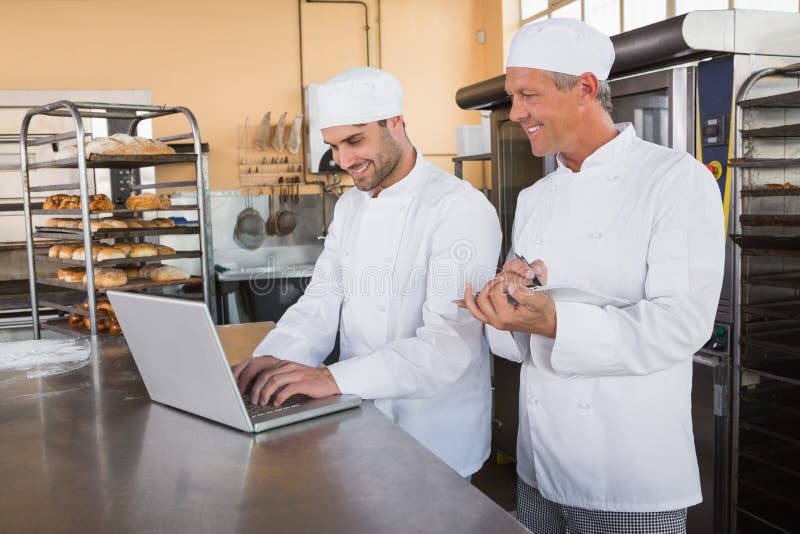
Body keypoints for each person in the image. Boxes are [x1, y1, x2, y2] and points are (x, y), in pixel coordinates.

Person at [463, 18, 724, 533]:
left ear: (584, 88)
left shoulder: (674, 180)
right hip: (538, 464)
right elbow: (524, 331)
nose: (516, 113)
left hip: (626, 476)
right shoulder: (536, 197)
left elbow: (682, 323)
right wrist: (507, 304)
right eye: (513, 97)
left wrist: (556, 321)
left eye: (527, 95)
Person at [234, 67, 502, 478]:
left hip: (435, 435)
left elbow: (449, 346)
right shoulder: (350, 206)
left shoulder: (458, 209)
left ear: (395, 122)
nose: (343, 160)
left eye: (355, 141)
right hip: (360, 420)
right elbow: (322, 298)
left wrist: (332, 378)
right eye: (333, 146)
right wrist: (274, 357)